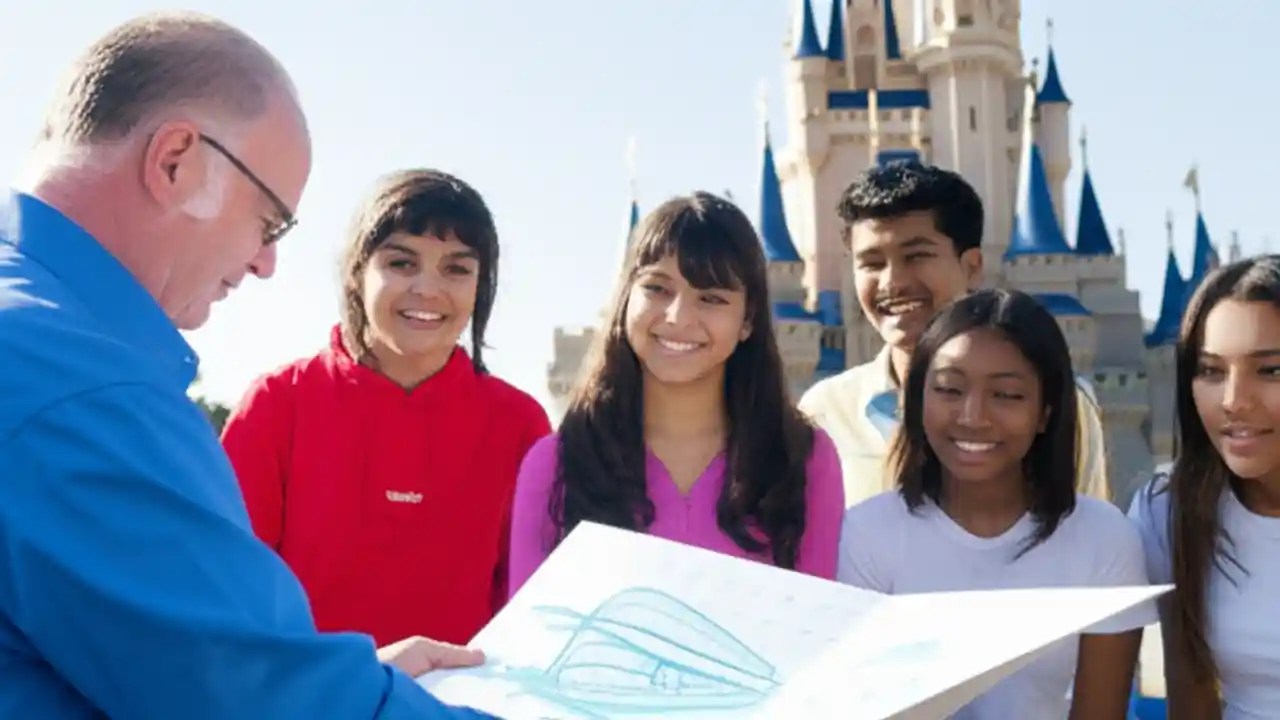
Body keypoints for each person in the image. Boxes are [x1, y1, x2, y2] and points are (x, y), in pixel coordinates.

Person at [0, 12, 493, 719]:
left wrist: (326, 679)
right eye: (269, 223)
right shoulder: (83, 388)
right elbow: (250, 698)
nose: (266, 263)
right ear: (176, 160)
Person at [221, 168, 551, 648]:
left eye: (457, 269)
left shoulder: (520, 424)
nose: (428, 288)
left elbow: (528, 608)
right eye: (401, 263)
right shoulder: (277, 405)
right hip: (311, 690)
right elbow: (231, 591)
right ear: (357, 272)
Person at [506, 192, 845, 596]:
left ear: (748, 320)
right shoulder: (556, 465)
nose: (678, 317)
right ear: (625, 298)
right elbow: (531, 629)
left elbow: (821, 621)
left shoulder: (804, 462)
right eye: (658, 288)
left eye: (711, 298)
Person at [838, 288, 1153, 719]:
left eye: (1006, 395)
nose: (973, 416)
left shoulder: (1103, 539)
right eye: (949, 389)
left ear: (1045, 412)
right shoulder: (865, 536)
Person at [798, 160, 1110, 507]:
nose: (892, 283)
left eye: (916, 256)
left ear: (972, 267)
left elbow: (1086, 530)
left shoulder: (1055, 401)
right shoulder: (826, 412)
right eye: (872, 263)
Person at [1128, 255, 1280, 719]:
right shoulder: (1169, 512)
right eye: (1211, 371)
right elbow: (1190, 694)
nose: (1234, 401)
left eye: (1271, 370)